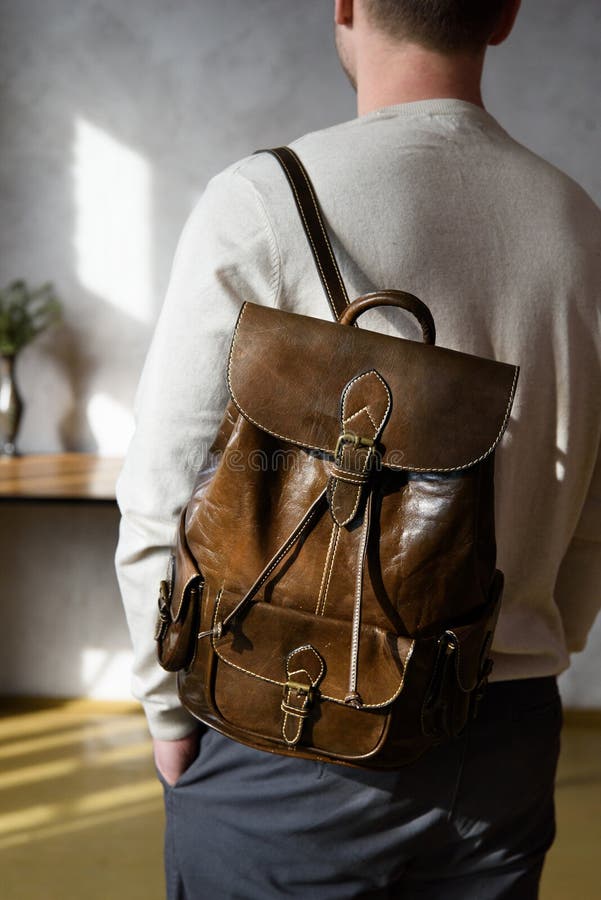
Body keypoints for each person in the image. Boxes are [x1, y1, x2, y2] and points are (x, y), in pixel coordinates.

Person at [115, 1, 601, 897]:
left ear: (345, 5)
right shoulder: (580, 226)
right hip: (505, 739)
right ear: (503, 17)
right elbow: (591, 518)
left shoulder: (262, 201)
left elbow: (162, 489)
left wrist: (163, 705)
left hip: (293, 724)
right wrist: (532, 651)